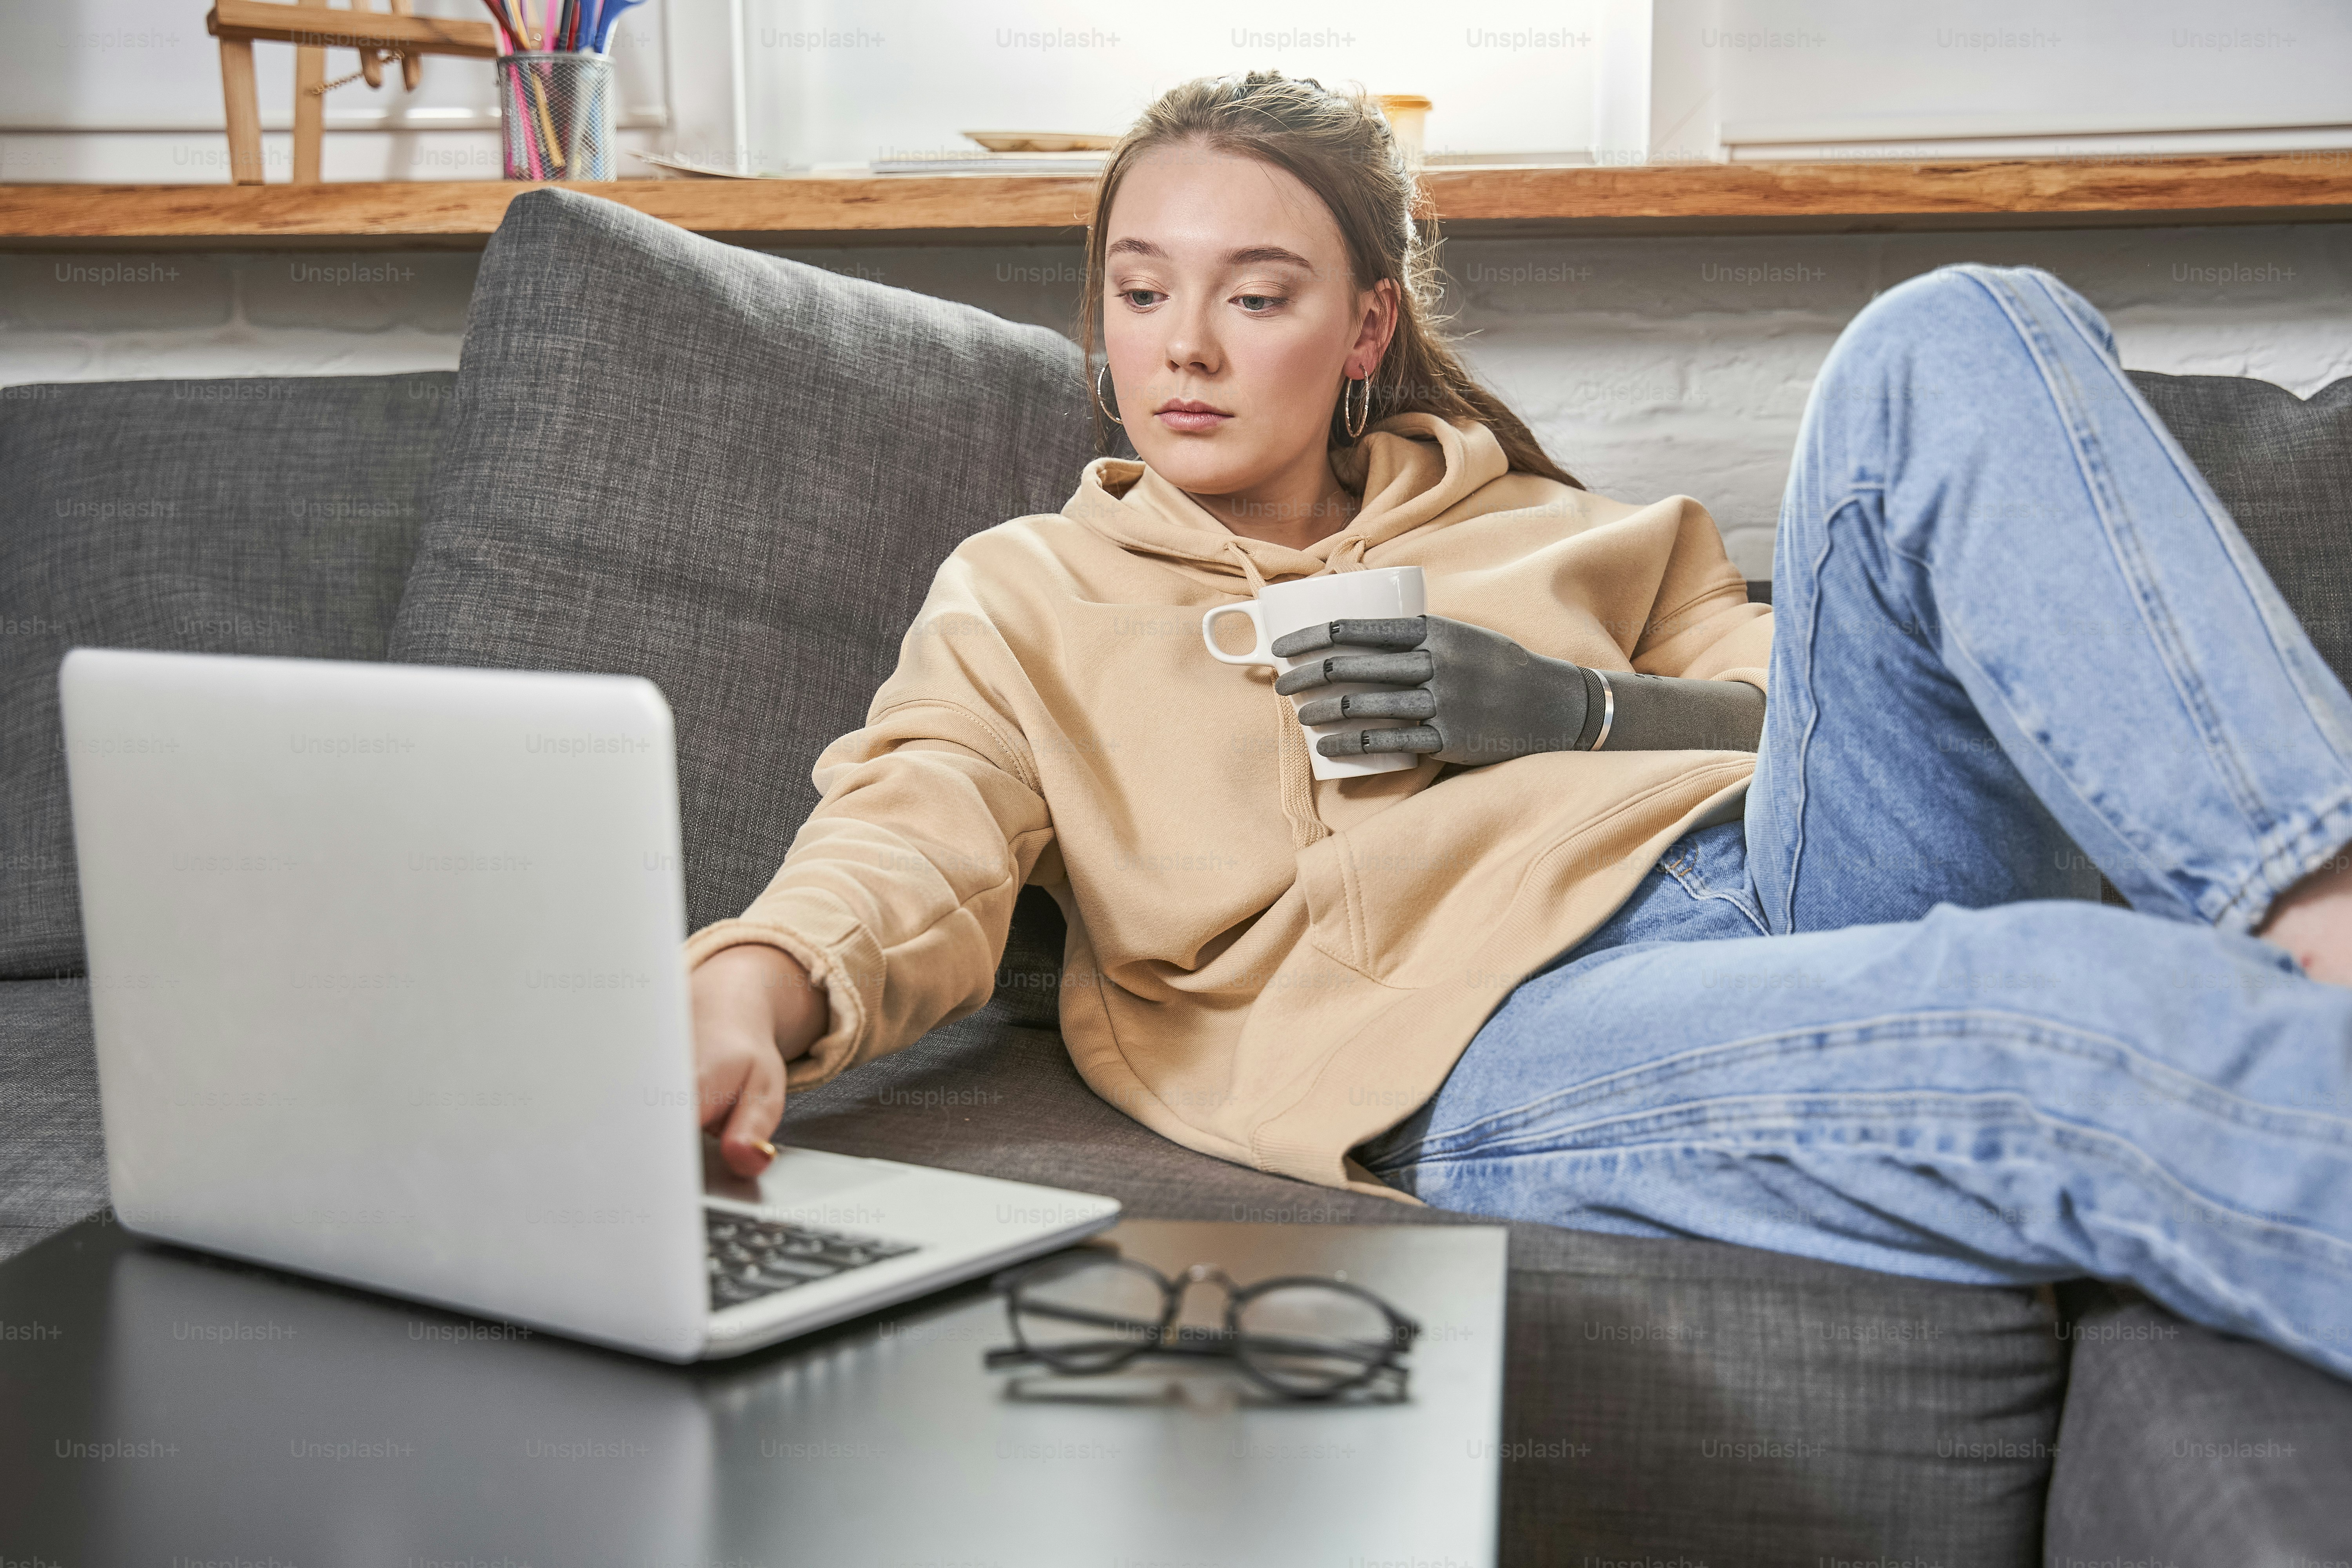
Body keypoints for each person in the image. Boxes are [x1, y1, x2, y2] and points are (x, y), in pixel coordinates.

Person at [687, 72, 2352, 1378]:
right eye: (1140, 291)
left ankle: (2328, 909)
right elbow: (914, 826)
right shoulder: (1028, 592)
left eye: (1255, 298)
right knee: (2084, 1012)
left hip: (1785, 864)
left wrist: (1583, 707)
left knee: (1954, 325)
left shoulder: (1543, 516)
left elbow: (1841, 697)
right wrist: (749, 990)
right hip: (1501, 1031)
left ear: (1361, 332)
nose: (1181, 345)